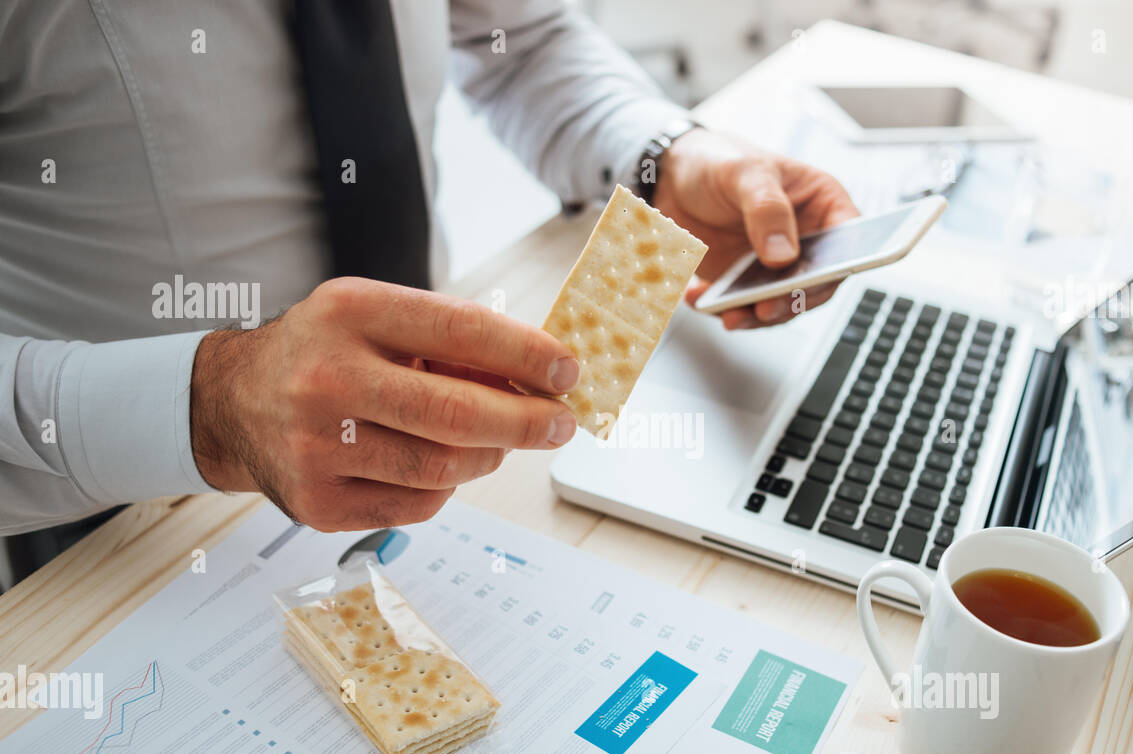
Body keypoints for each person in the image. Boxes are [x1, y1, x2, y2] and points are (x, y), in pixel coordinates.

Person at [0, 0, 857, 572]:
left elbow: (518, 41)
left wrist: (661, 158)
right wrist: (210, 409)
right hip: (113, 540)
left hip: (433, 477)